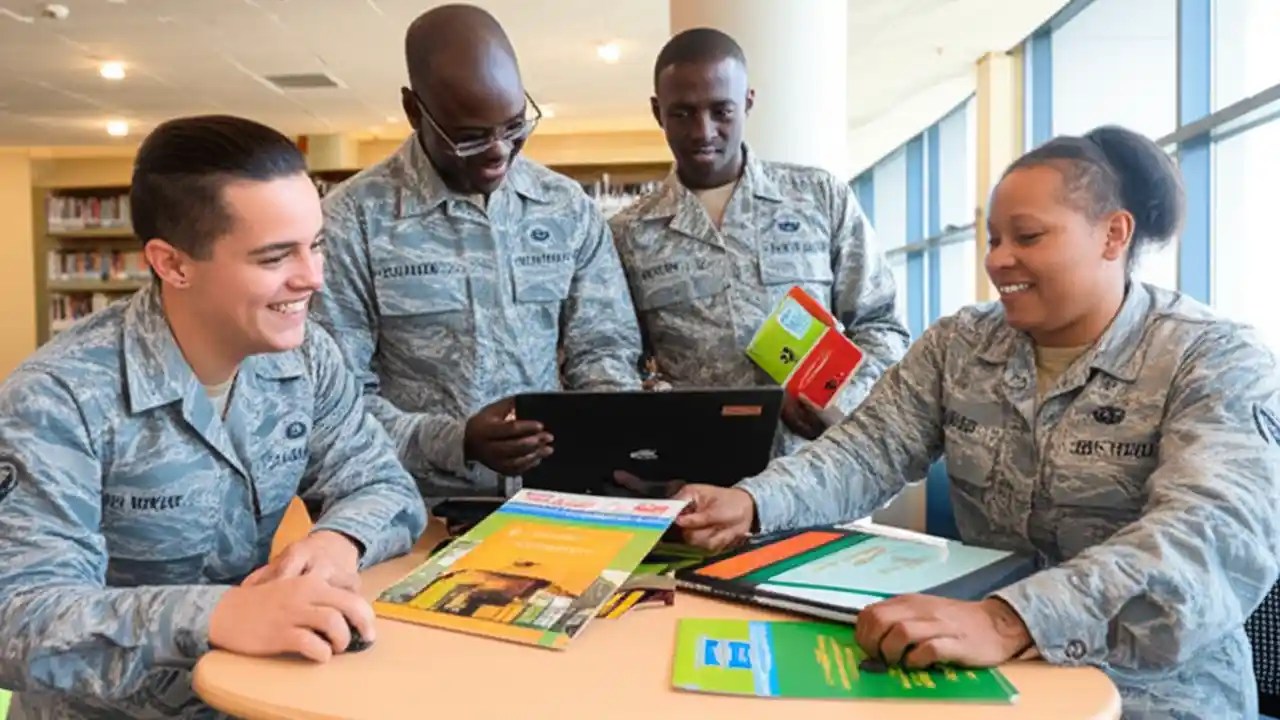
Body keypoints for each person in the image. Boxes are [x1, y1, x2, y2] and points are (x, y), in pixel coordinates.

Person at [670, 125, 1280, 718]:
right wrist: (752, 503)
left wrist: (1009, 618)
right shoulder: (961, 344)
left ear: (1113, 235)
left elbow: (1214, 535)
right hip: (978, 675)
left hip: (1152, 694)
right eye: (993, 239)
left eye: (1028, 236)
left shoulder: (1213, 357)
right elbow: (865, 450)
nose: (999, 260)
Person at [0, 115, 429, 718]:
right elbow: (19, 617)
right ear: (172, 264)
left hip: (261, 697)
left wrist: (340, 541)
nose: (313, 277)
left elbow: (384, 483)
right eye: (276, 256)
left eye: (318, 243)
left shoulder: (308, 358)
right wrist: (218, 614)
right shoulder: (58, 398)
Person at [311, 3, 643, 506]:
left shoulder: (566, 207)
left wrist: (617, 440)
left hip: (555, 496)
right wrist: (455, 440)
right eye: (469, 138)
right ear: (414, 110)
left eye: (514, 126)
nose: (499, 152)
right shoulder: (351, 220)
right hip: (412, 505)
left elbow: (604, 350)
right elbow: (334, 400)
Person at [609, 28, 908, 457]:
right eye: (682, 113)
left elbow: (882, 326)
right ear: (658, 112)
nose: (703, 131)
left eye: (721, 111)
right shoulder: (629, 233)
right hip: (698, 476)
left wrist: (830, 397)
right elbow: (616, 360)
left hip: (820, 470)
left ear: (748, 101)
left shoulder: (819, 198)